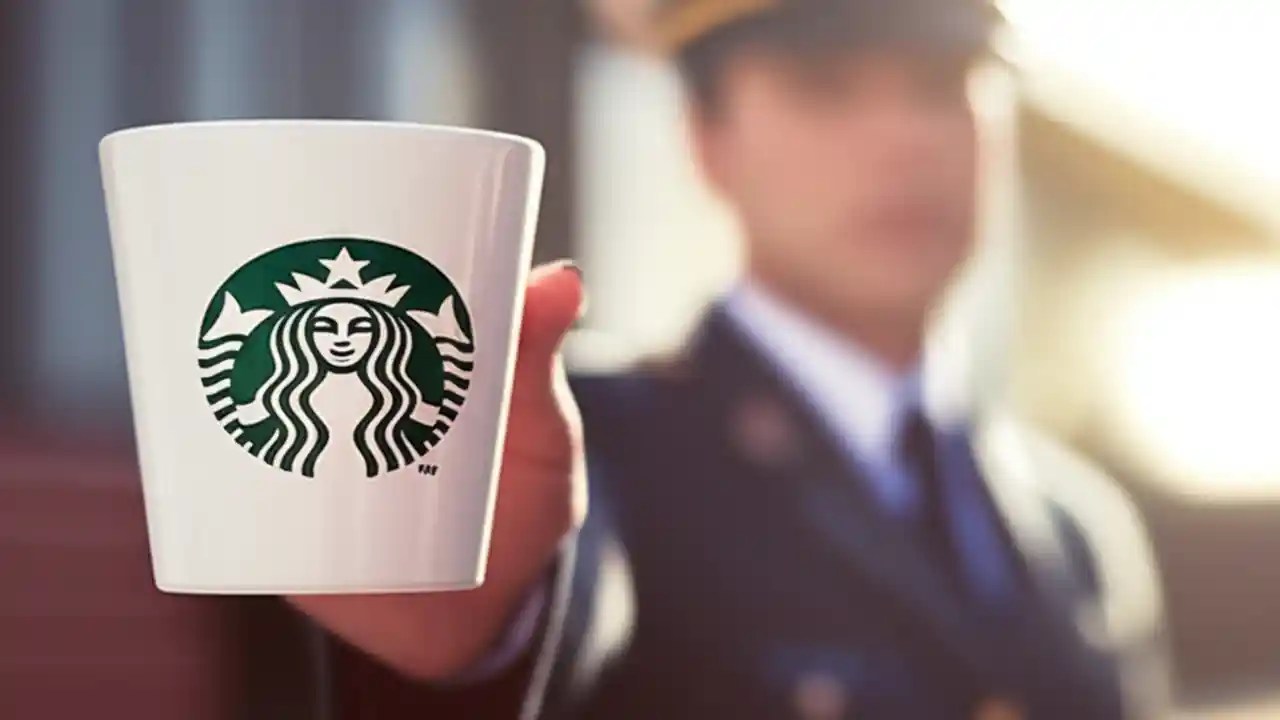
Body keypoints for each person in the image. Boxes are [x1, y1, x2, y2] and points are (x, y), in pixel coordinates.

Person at [291, 1, 1172, 718]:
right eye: (825, 88)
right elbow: (541, 643)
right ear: (707, 141)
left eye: (944, 85)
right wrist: (479, 649)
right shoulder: (583, 449)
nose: (903, 138)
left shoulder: (1078, 524)